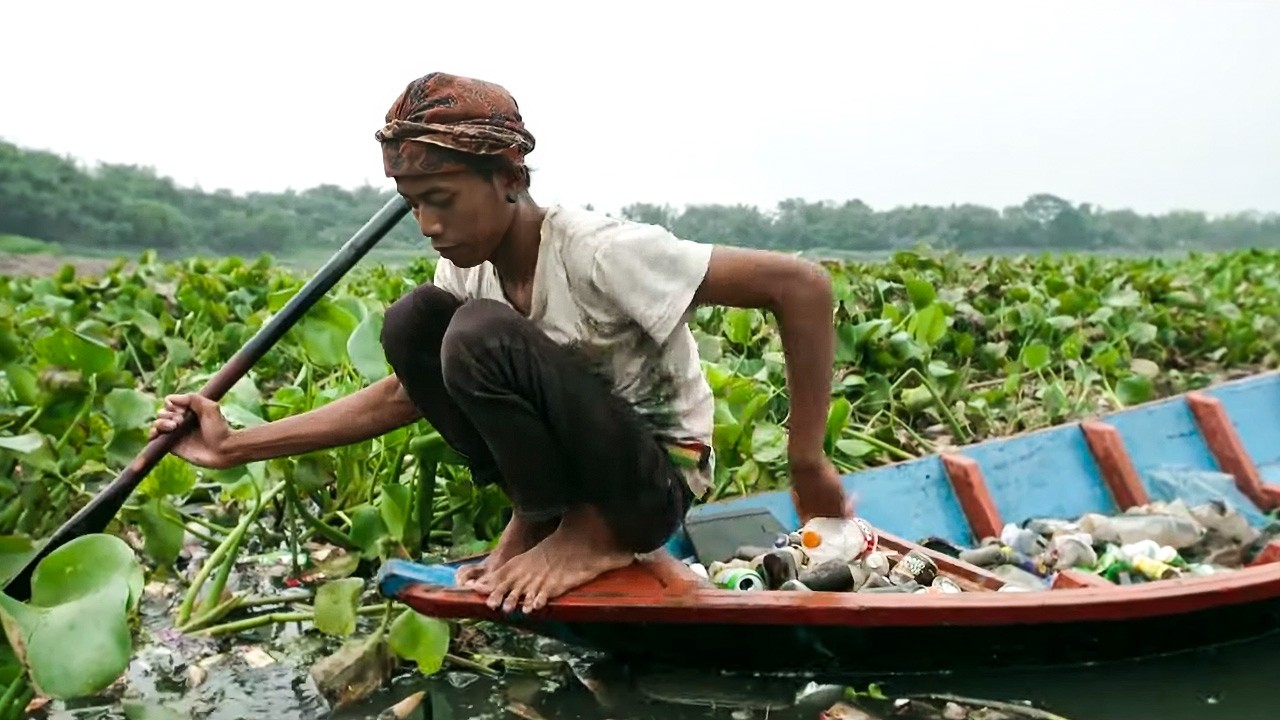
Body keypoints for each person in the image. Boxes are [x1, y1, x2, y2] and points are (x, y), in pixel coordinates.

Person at [150, 71, 851, 615]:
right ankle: (543, 517)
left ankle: (593, 535)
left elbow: (801, 287)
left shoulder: (598, 252)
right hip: (573, 476)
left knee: (477, 332)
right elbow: (401, 394)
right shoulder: (464, 266)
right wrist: (236, 444)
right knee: (414, 321)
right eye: (410, 200)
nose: (426, 223)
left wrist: (807, 459)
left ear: (510, 179)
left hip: (649, 485)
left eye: (442, 199)